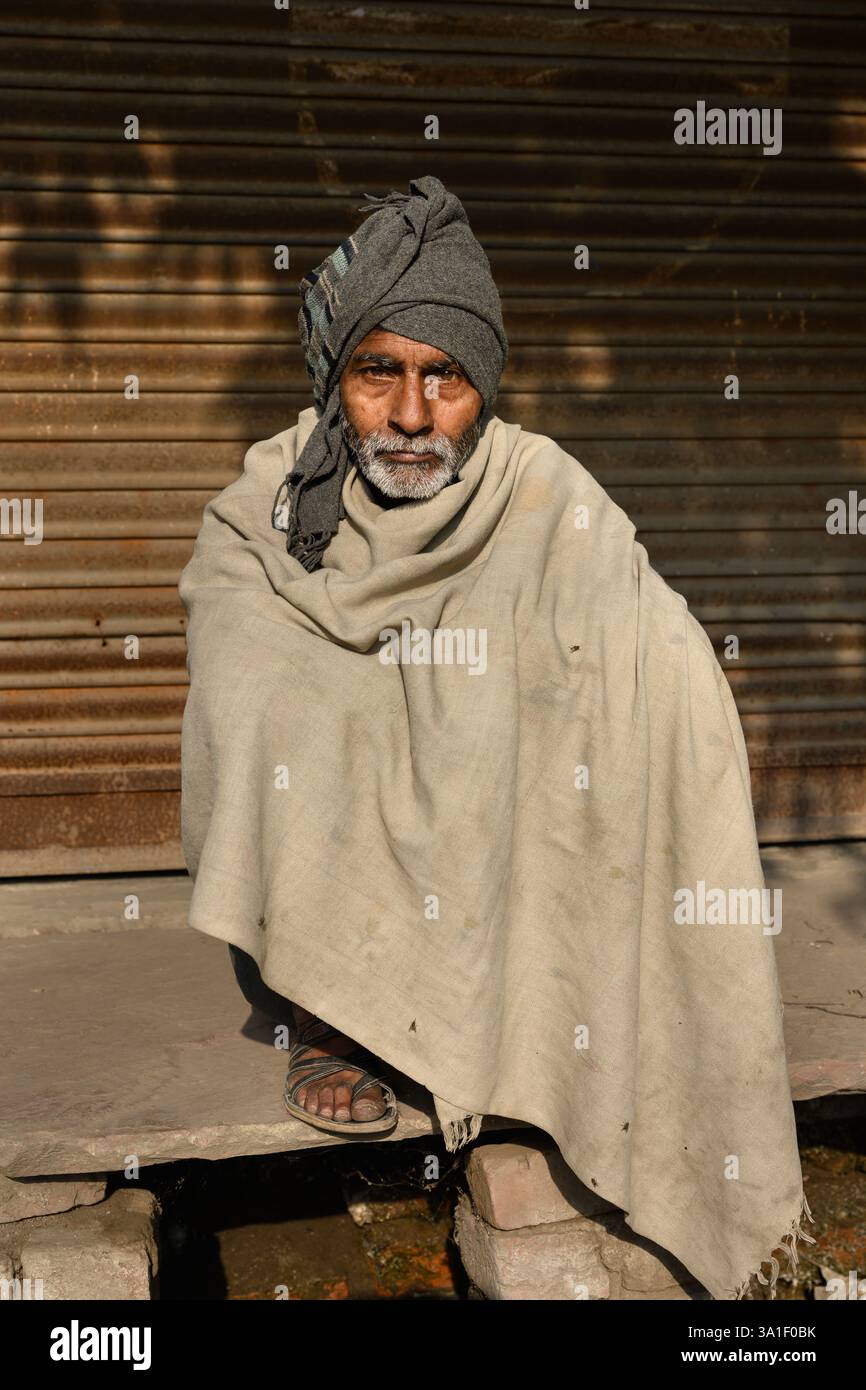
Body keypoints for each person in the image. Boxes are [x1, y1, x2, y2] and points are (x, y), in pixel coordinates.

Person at [179, 176, 813, 1299]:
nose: (414, 418)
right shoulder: (278, 493)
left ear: (484, 389)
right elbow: (228, 626)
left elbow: (643, 625)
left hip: (486, 853)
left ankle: (523, 1024)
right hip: (338, 811)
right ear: (338, 382)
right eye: (379, 373)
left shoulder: (536, 486)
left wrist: (624, 682)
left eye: (445, 378)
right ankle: (330, 1014)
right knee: (285, 693)